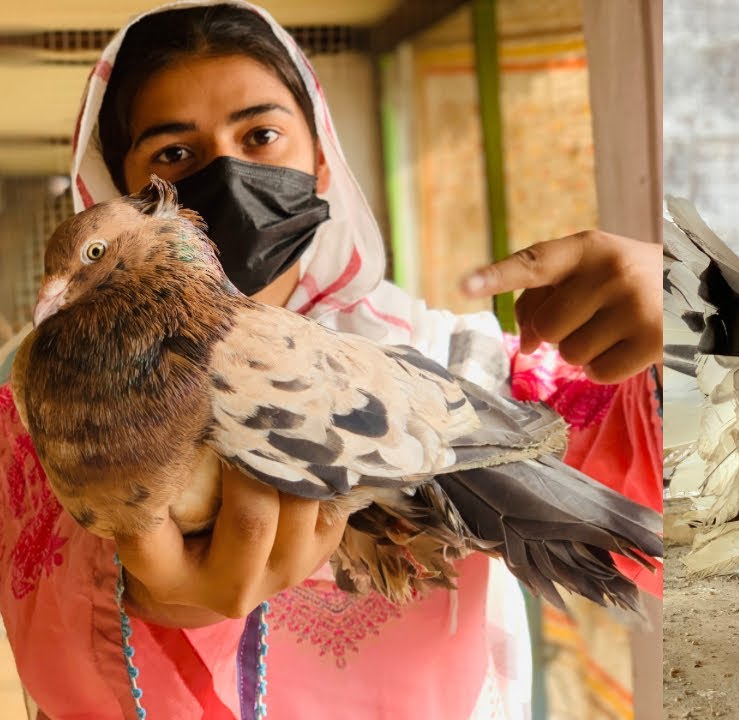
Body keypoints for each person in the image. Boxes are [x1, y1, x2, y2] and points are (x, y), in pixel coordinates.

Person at [0, 2, 661, 718]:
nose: (227, 173)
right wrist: (134, 590)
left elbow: (676, 496)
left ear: (321, 159)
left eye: (261, 134)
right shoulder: (33, 405)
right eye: (172, 155)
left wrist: (680, 323)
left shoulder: (456, 359)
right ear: (120, 194)